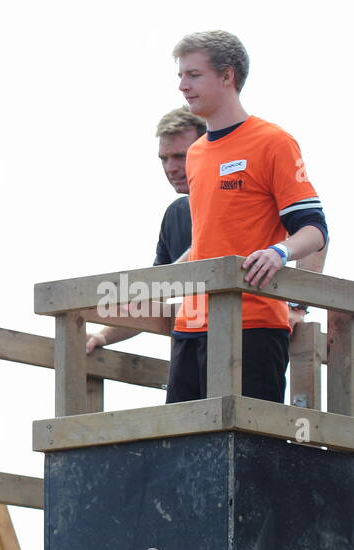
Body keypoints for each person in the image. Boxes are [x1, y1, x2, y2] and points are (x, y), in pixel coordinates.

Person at [162, 30, 328, 403]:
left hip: (253, 323)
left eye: (193, 75)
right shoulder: (197, 153)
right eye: (180, 76)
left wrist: (279, 252)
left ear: (227, 76)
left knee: (247, 452)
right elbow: (208, 238)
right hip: (190, 324)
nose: (183, 86)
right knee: (181, 449)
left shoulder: (272, 141)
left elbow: (314, 229)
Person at [86, 108, 204, 354]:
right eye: (164, 158)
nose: (171, 167)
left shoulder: (238, 200)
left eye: (180, 156)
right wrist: (102, 337)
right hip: (189, 345)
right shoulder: (177, 215)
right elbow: (153, 297)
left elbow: (303, 227)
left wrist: (296, 307)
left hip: (243, 338)